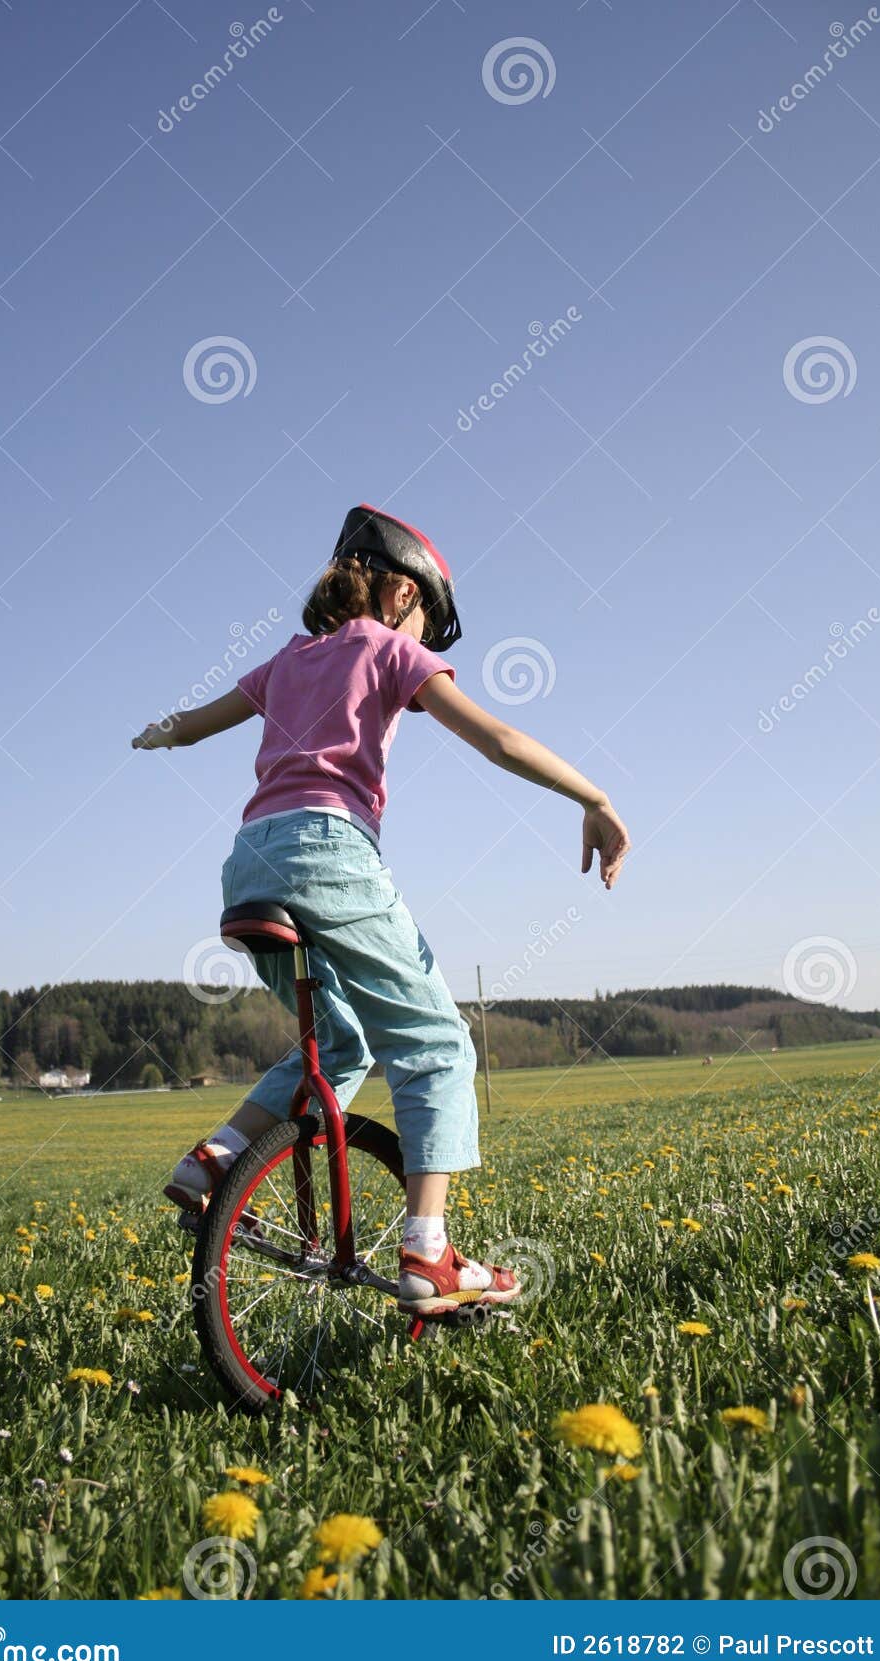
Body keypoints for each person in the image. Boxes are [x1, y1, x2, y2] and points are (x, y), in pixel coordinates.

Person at [132, 504, 629, 1314]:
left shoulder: (286, 660)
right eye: (427, 620)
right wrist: (594, 797)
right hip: (329, 853)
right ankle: (428, 1255)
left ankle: (215, 1158)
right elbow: (498, 740)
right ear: (401, 592)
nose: (425, 639)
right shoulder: (390, 648)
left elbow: (193, 726)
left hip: (248, 861)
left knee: (339, 1043)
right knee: (436, 1043)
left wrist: (157, 733)